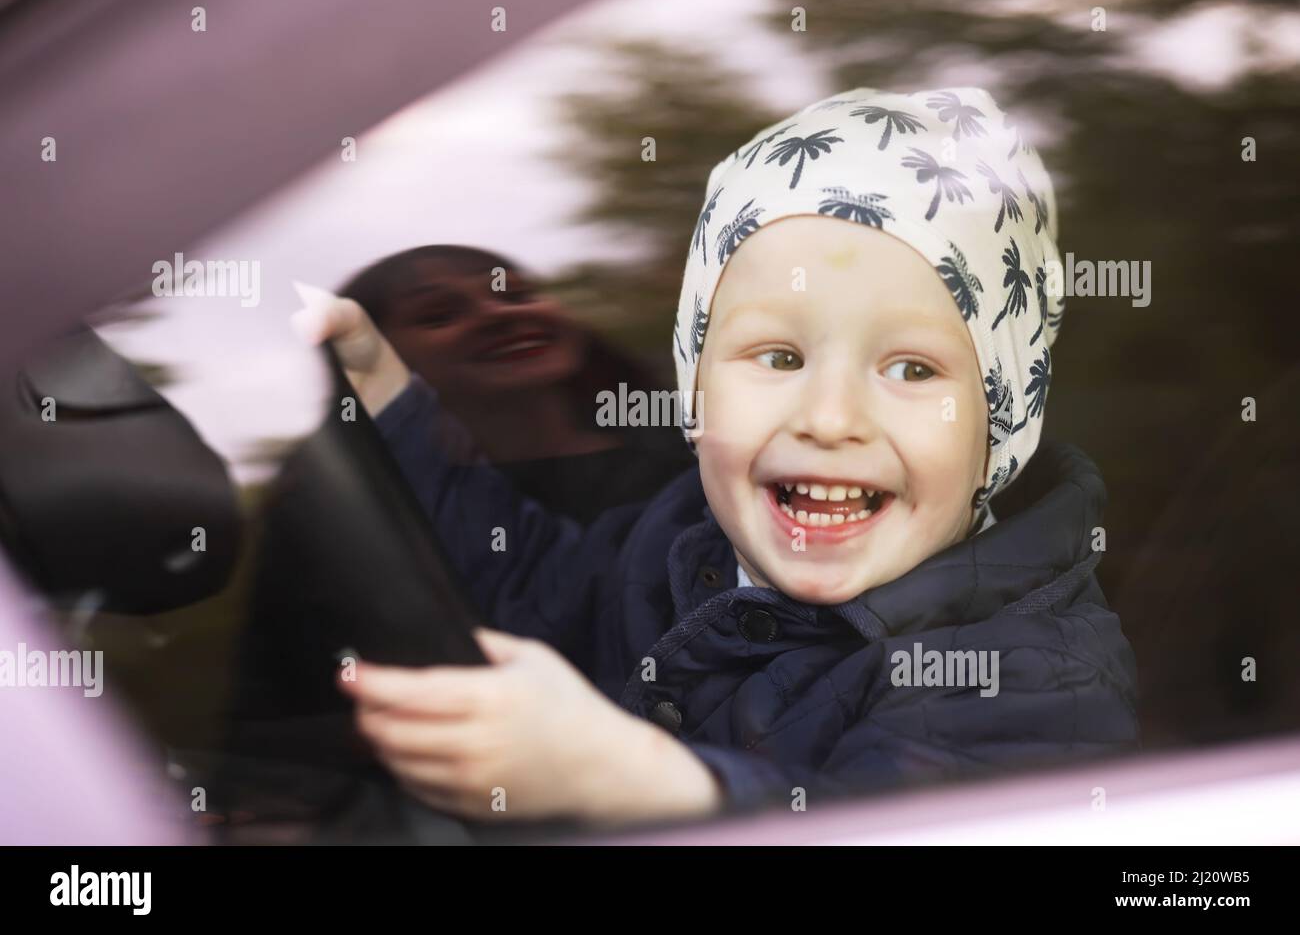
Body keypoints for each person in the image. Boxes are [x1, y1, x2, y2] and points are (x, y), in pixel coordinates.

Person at [294, 86, 1139, 825]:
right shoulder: (675, 544)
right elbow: (519, 572)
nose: (830, 418)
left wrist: (646, 783)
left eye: (911, 369)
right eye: (777, 358)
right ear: (696, 391)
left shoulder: (1030, 671)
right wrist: (388, 390)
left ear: (1002, 419)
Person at [338, 245, 693, 523]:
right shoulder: (390, 521)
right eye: (439, 315)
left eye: (517, 295)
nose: (500, 313)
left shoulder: (700, 434)